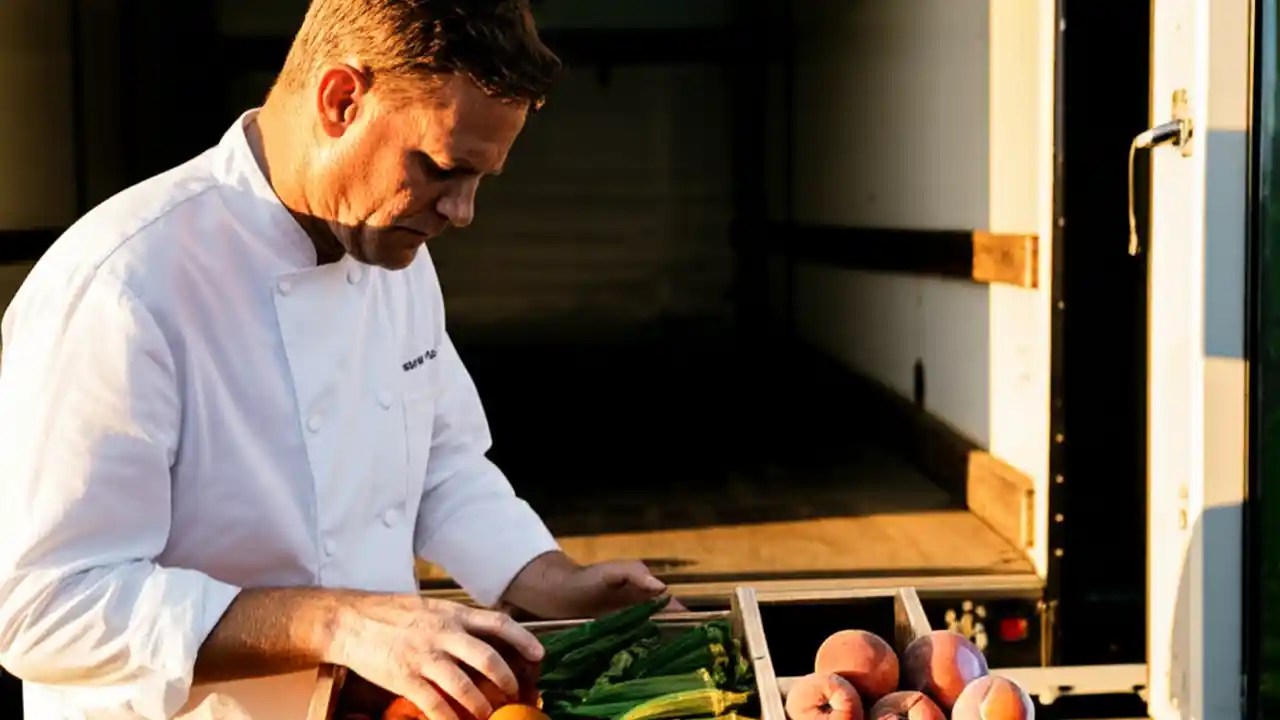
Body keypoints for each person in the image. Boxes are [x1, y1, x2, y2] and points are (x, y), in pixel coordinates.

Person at [0, 1, 674, 717]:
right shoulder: (122, 285)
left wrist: (546, 576)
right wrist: (337, 622)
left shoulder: (393, 250)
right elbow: (44, 607)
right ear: (341, 99)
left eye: (482, 180)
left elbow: (438, 465)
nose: (463, 212)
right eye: (443, 168)